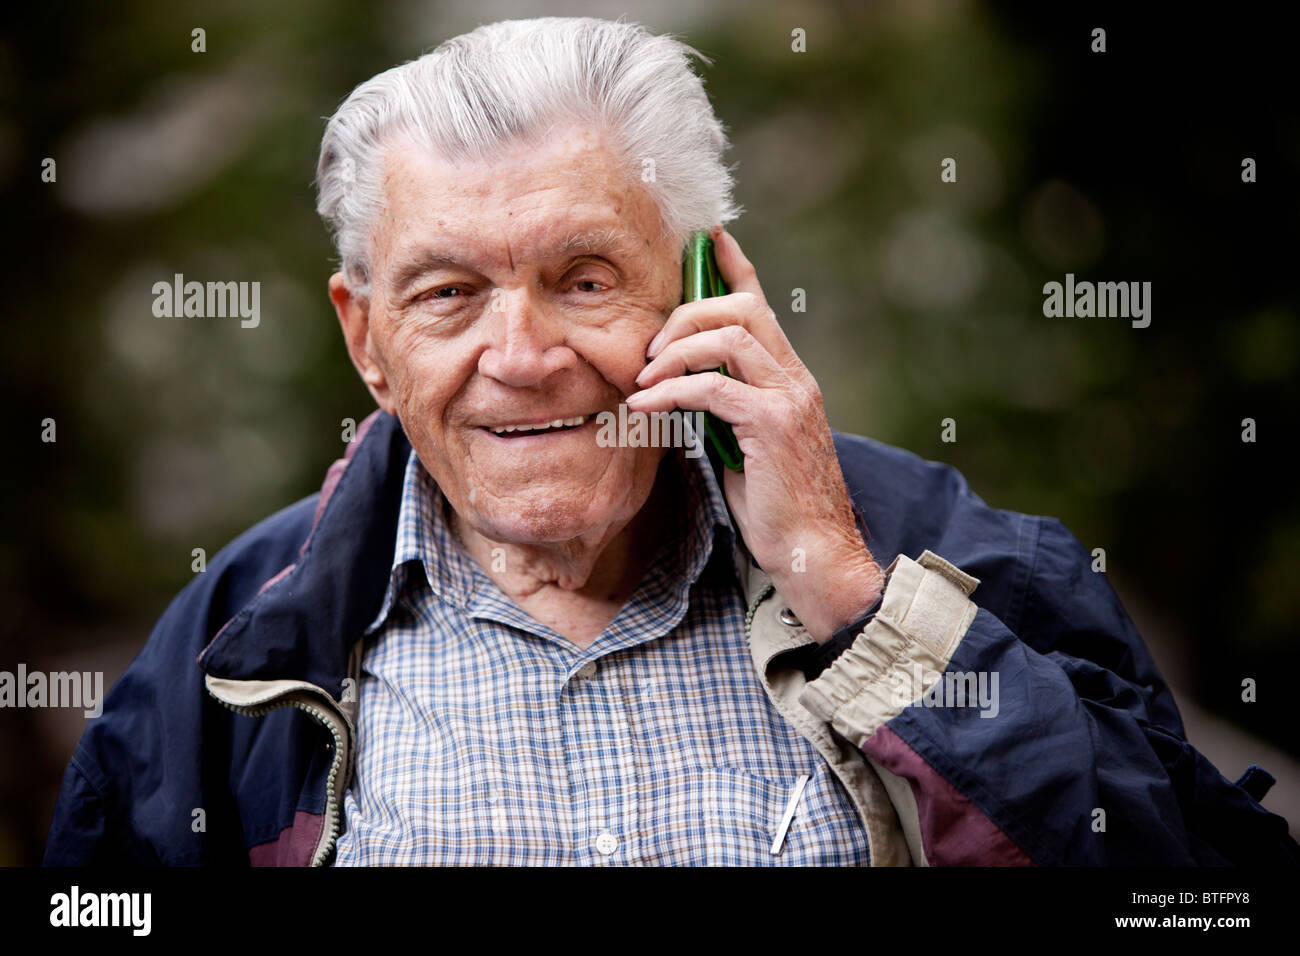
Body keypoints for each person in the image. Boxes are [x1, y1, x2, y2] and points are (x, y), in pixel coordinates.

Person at [44, 16, 1298, 866]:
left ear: (706, 287)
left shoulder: (928, 550)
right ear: (368, 338)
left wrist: (855, 603)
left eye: (586, 278)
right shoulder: (229, 647)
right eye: (446, 294)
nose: (522, 355)